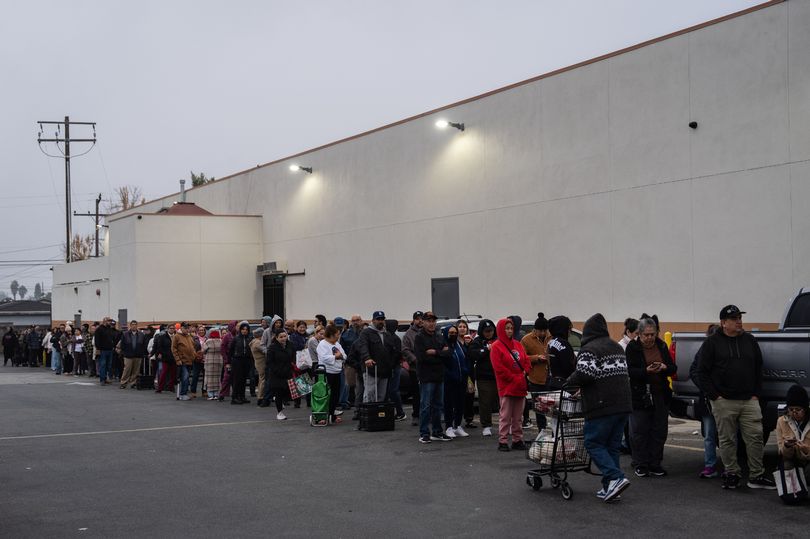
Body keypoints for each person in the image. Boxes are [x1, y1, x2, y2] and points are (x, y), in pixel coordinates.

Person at [694, 305, 775, 490]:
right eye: (734, 318)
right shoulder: (712, 343)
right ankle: (732, 474)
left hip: (749, 400)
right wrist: (715, 396)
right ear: (724, 323)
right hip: (724, 401)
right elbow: (701, 372)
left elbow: (758, 368)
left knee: (755, 437)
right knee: (727, 439)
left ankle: (756, 475)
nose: (739, 321)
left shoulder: (749, 340)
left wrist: (756, 394)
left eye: (740, 317)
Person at [567, 313, 633, 502]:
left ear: (588, 332)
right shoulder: (616, 347)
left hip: (602, 404)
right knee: (612, 446)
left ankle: (616, 478)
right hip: (623, 404)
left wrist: (567, 384)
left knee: (593, 443)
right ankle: (610, 488)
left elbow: (585, 374)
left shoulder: (589, 348)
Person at [626, 315, 677, 477]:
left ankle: (655, 463)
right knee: (639, 431)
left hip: (660, 394)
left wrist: (663, 367)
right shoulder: (632, 348)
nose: (649, 338)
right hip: (640, 395)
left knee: (659, 430)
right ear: (639, 334)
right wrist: (645, 371)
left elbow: (672, 367)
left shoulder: (661, 346)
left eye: (652, 334)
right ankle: (640, 463)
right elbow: (629, 371)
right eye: (646, 335)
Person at [491, 318, 530, 451]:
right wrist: (514, 377)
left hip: (520, 385)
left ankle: (517, 439)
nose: (509, 331)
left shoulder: (518, 344)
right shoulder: (496, 346)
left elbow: (526, 360)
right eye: (507, 328)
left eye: (511, 328)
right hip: (507, 386)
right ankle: (502, 440)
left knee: (519, 416)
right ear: (501, 329)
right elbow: (499, 368)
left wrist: (525, 372)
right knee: (506, 415)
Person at [414, 311, 452, 444]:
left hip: (439, 376)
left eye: (433, 321)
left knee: (438, 405)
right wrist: (441, 354)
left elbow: (448, 354)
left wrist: (435, 352)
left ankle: (437, 432)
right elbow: (423, 358)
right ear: (423, 322)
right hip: (426, 376)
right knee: (425, 405)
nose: (431, 323)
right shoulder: (419, 337)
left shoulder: (439, 336)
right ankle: (424, 433)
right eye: (429, 321)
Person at [690, 324, 721, 478]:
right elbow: (694, 371)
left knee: (724, 435)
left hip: (721, 398)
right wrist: (706, 388)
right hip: (710, 399)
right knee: (711, 434)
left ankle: (724, 466)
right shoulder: (703, 351)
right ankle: (711, 465)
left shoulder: (724, 350)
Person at [355, 311, 395, 404]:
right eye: (378, 319)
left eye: (382, 319)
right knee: (370, 394)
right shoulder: (366, 333)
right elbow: (363, 347)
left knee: (381, 395)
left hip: (385, 370)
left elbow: (392, 350)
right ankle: (367, 415)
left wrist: (392, 364)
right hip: (371, 369)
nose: (380, 321)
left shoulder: (387, 334)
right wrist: (367, 358)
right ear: (373, 320)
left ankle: (378, 416)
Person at [469, 319, 498, 437]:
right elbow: (473, 354)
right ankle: (486, 425)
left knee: (501, 402)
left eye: (491, 330)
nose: (489, 333)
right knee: (485, 402)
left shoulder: (498, 340)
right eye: (486, 331)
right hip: (484, 377)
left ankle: (507, 424)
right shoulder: (477, 341)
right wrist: (486, 349)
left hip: (498, 376)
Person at [521, 313, 550, 429]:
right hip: (535, 379)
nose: (543, 333)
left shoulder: (551, 337)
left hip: (550, 379)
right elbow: (522, 358)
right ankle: (541, 431)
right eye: (540, 331)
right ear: (535, 330)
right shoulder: (526, 339)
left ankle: (554, 433)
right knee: (539, 408)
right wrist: (536, 358)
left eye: (545, 331)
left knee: (553, 408)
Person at [442, 324, 469, 438]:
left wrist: (466, 371)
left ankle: (457, 425)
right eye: (451, 333)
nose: (453, 334)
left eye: (455, 332)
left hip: (461, 379)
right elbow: (443, 363)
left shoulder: (459, 345)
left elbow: (465, 358)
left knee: (460, 404)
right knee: (448, 404)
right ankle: (448, 427)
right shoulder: (444, 346)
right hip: (449, 380)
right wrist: (450, 374)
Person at [316, 324, 347, 425]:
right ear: (331, 335)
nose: (339, 336)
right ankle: (321, 416)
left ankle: (332, 415)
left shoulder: (337, 344)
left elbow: (344, 355)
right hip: (326, 373)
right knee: (325, 396)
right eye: (337, 334)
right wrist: (336, 356)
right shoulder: (322, 344)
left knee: (335, 395)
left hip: (337, 372)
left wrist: (340, 356)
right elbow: (325, 358)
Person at [777, 385, 810, 472]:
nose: (794, 413)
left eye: (798, 409)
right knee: (785, 468)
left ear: (805, 409)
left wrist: (807, 451)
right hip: (792, 459)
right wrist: (787, 446)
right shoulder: (781, 421)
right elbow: (781, 453)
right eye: (791, 409)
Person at [401, 311, 423, 426]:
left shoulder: (427, 332)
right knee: (417, 393)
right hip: (415, 369)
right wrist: (415, 360)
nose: (420, 321)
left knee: (428, 392)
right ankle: (416, 415)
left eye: (421, 318)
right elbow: (405, 350)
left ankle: (428, 414)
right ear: (414, 320)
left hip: (428, 368)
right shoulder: (408, 334)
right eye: (417, 319)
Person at [266, 330, 295, 419]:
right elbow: (269, 362)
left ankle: (281, 401)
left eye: (284, 336)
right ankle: (279, 413)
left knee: (288, 391)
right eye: (281, 337)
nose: (283, 339)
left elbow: (293, 356)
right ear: (276, 337)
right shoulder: (272, 347)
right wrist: (277, 370)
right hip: (277, 374)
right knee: (278, 392)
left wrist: (293, 364)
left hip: (288, 372)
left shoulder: (290, 345)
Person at [385, 318, 407, 422]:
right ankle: (396, 412)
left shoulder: (393, 338)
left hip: (394, 367)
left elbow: (396, 354)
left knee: (392, 390)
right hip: (393, 367)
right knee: (391, 390)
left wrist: (391, 366)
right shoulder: (394, 338)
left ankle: (400, 412)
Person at [341, 315, 364, 408]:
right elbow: (341, 348)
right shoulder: (346, 334)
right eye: (353, 321)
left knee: (361, 386)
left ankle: (360, 403)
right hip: (350, 363)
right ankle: (350, 402)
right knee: (350, 384)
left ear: (361, 321)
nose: (355, 322)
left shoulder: (366, 332)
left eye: (357, 320)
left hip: (363, 363)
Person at [546, 315, 575, 387]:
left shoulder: (551, 342)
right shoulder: (563, 344)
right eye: (569, 329)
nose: (569, 333)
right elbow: (568, 366)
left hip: (552, 381)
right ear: (563, 329)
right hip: (563, 384)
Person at [228, 322, 253, 405]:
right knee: (237, 380)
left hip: (247, 360)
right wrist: (228, 362)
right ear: (240, 330)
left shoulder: (250, 338)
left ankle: (242, 396)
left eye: (246, 329)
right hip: (237, 360)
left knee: (244, 380)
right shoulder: (236, 338)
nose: (244, 331)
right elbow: (230, 351)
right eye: (243, 329)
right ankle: (234, 398)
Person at [172, 322, 197, 401]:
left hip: (190, 360)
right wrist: (178, 359)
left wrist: (194, 355)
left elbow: (193, 347)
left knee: (185, 378)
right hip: (182, 361)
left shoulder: (189, 336)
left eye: (188, 328)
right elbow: (173, 349)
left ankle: (183, 393)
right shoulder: (176, 336)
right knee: (185, 377)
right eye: (185, 328)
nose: (187, 330)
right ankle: (183, 394)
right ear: (181, 328)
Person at [119, 321, 146, 389]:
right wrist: (124, 353)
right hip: (128, 355)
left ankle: (133, 383)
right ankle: (123, 383)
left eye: (135, 324)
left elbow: (144, 345)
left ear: (137, 326)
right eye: (132, 325)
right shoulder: (125, 334)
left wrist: (142, 353)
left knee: (136, 370)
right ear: (130, 326)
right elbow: (122, 345)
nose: (134, 326)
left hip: (138, 355)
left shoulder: (141, 334)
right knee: (127, 369)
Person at [154, 324, 176, 393]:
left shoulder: (176, 337)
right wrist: (162, 354)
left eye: (173, 328)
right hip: (166, 358)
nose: (172, 329)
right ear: (168, 329)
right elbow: (159, 346)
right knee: (163, 373)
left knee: (173, 374)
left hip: (174, 358)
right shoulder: (163, 337)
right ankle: (160, 388)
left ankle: (171, 387)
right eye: (171, 328)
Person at [219, 321, 238, 401]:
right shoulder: (227, 336)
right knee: (227, 378)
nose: (237, 327)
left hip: (237, 360)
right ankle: (222, 394)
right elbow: (222, 349)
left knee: (236, 378)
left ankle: (236, 394)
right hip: (229, 361)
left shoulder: (238, 335)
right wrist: (226, 360)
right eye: (236, 326)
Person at [202, 329, 223, 400]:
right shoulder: (221, 341)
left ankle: (210, 395)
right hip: (219, 361)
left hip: (209, 361)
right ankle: (216, 394)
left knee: (209, 378)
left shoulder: (208, 341)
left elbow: (203, 350)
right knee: (217, 378)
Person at [95, 318, 115, 385]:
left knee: (108, 365)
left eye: (110, 321)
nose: (110, 322)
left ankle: (106, 378)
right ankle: (102, 379)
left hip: (110, 349)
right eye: (109, 321)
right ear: (104, 321)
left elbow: (112, 338)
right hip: (102, 350)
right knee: (103, 365)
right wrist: (98, 349)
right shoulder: (99, 329)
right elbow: (97, 340)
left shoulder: (109, 329)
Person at [250, 327, 267, 405]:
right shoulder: (257, 342)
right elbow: (265, 350)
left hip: (258, 363)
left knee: (261, 380)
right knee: (262, 380)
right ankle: (260, 397)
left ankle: (261, 396)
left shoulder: (253, 342)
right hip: (261, 363)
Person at [189, 325, 206, 398]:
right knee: (195, 376)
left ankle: (204, 391)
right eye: (200, 330)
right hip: (197, 360)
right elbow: (192, 349)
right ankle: (193, 391)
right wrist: (196, 355)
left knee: (205, 377)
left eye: (203, 330)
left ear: (205, 331)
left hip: (205, 360)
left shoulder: (207, 339)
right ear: (197, 331)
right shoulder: (194, 338)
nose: (201, 331)